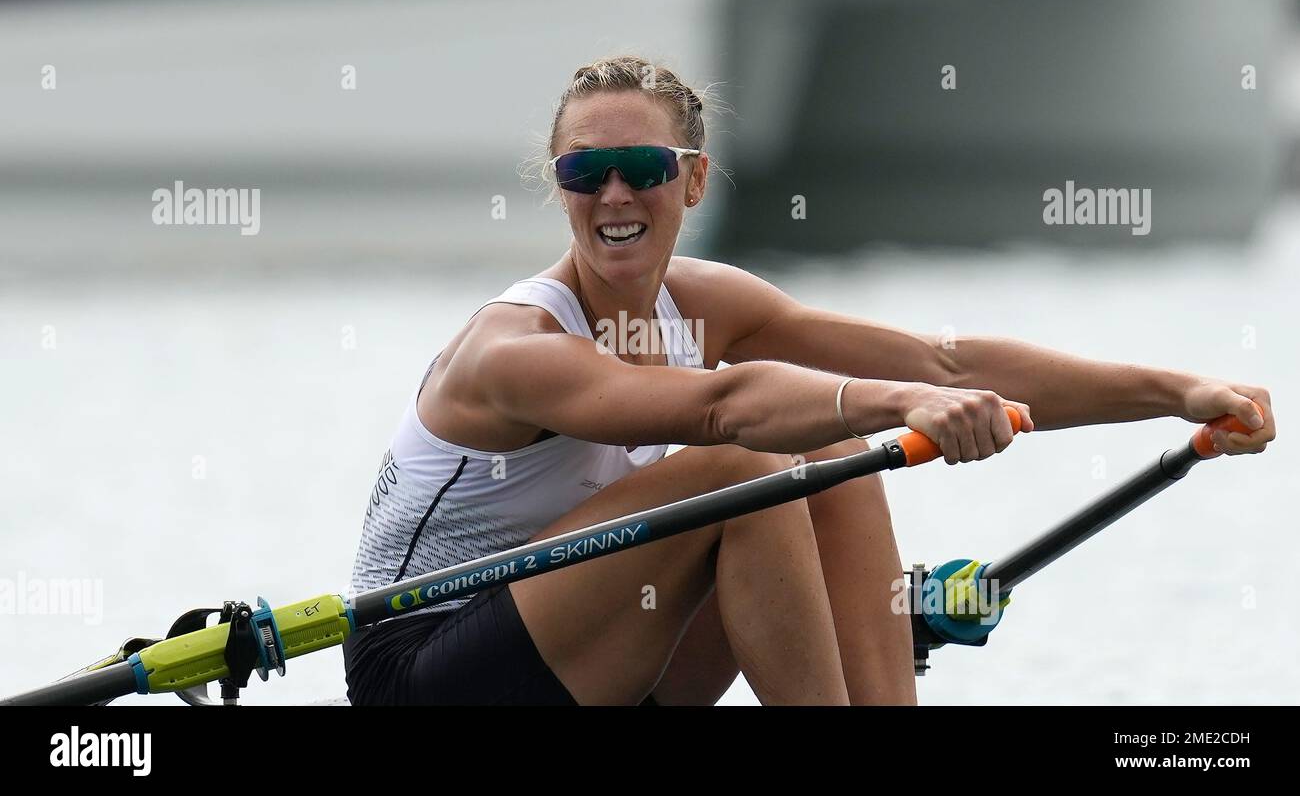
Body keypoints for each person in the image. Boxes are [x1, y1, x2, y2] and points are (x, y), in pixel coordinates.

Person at [342, 55, 1275, 706]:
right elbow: (721, 408)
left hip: (589, 651)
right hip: (422, 665)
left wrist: (1179, 389)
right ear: (560, 186)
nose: (615, 195)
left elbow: (942, 361)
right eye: (587, 171)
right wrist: (903, 408)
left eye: (643, 169)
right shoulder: (514, 348)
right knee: (747, 465)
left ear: (694, 181)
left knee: (823, 448)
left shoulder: (705, 303)